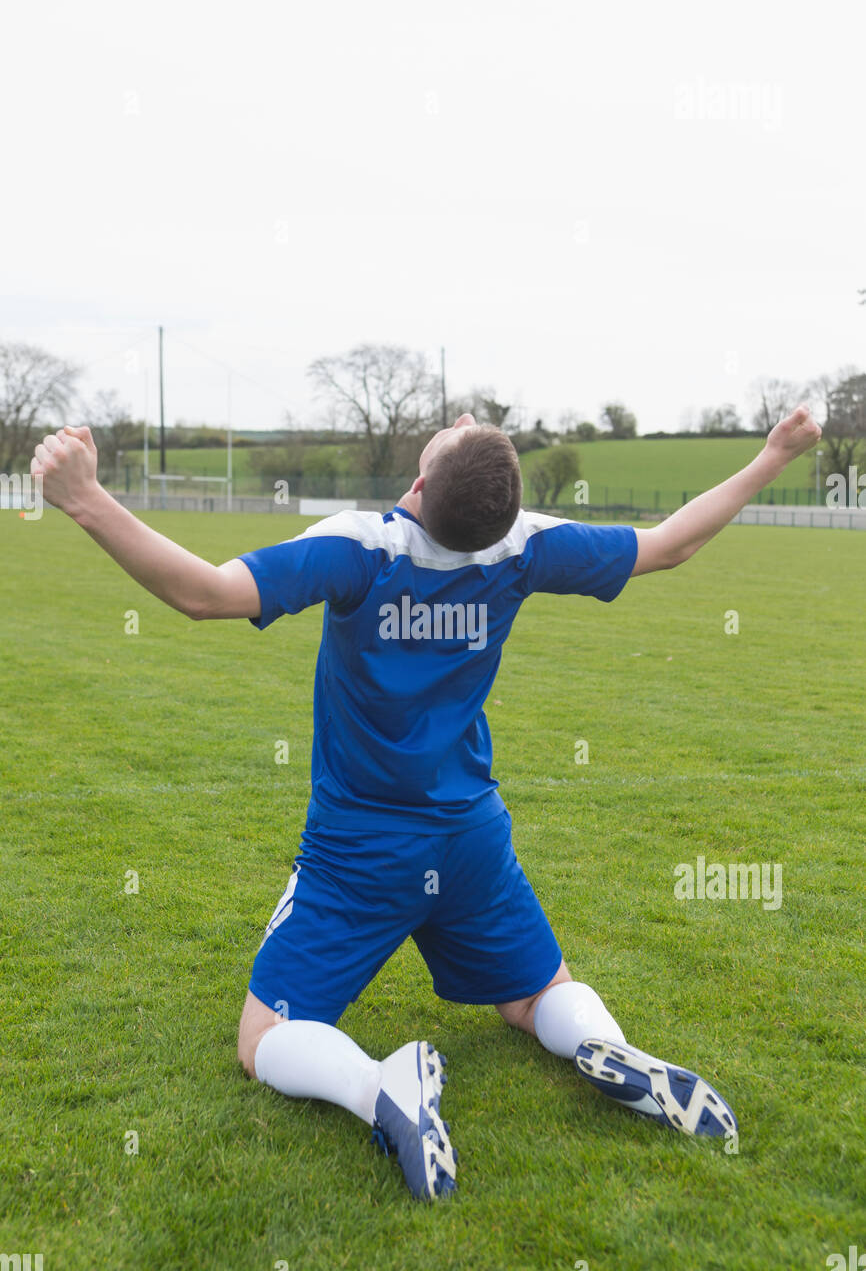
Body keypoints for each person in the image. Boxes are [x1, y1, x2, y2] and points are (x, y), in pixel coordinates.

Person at [31, 403, 821, 1200]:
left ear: (415, 484)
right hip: (472, 841)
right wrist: (772, 455)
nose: (467, 416)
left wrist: (87, 499)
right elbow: (671, 544)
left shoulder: (362, 548)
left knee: (263, 1037)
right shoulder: (521, 547)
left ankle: (384, 1090)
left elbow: (205, 593)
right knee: (536, 995)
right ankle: (601, 1043)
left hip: (360, 850)